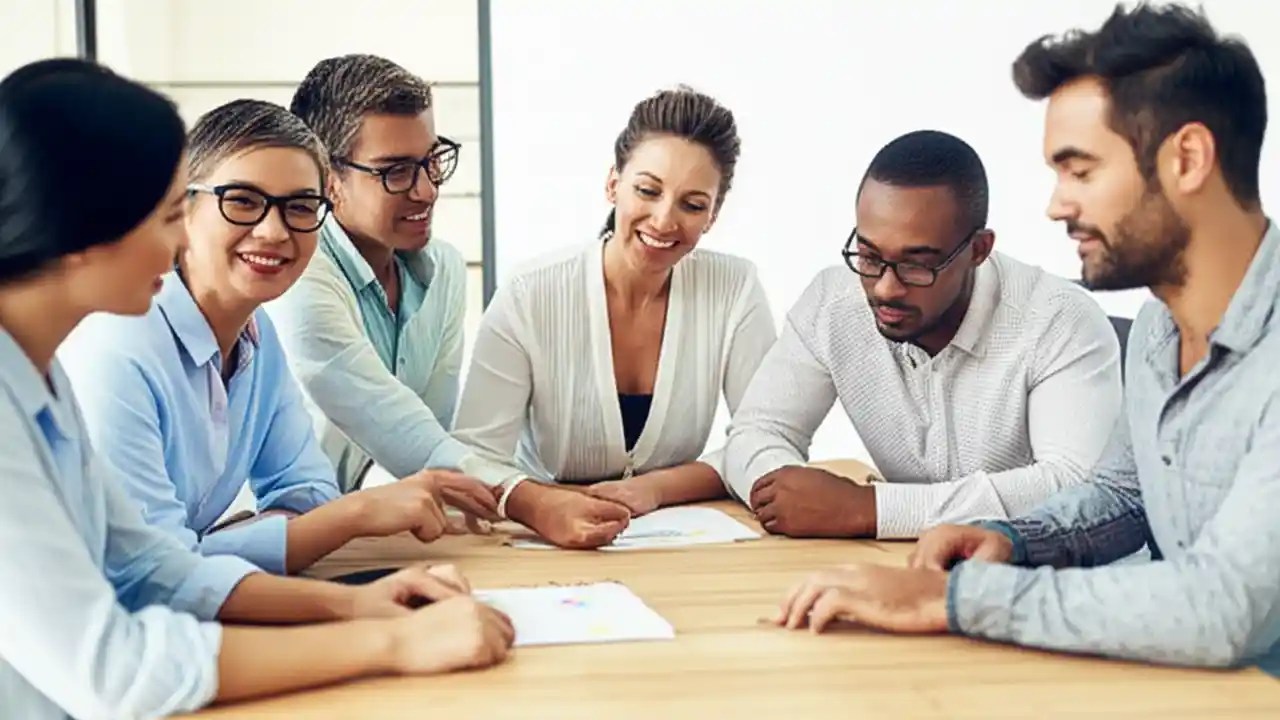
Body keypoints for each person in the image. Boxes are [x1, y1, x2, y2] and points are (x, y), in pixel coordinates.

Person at [0, 58, 512, 720]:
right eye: (164, 216)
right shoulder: (89, 358)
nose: (180, 240)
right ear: (80, 225)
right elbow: (115, 669)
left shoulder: (38, 373)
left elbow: (158, 569)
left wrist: (357, 602)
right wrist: (388, 642)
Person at [773, 3, 1280, 671]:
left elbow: (1223, 608)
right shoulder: (1163, 322)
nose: (1055, 205)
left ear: (1187, 158)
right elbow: (1126, 496)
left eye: (1081, 170)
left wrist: (957, 599)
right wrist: (1011, 539)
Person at [59, 97, 498, 577]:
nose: (274, 231)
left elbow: (308, 492)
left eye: (300, 206)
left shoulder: (256, 335)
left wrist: (217, 546)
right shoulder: (119, 344)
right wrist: (356, 514)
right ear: (181, 209)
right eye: (242, 201)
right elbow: (154, 572)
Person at [724, 129, 1122, 539]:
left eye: (918, 265)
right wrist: (782, 493)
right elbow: (757, 430)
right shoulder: (833, 304)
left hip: (1062, 586)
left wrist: (871, 510)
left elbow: (1074, 488)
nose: (885, 288)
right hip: (913, 575)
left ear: (978, 250)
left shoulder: (1061, 320)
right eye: (869, 255)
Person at [450, 86, 778, 548]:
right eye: (647, 190)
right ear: (612, 185)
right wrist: (540, 505)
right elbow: (473, 457)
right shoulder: (530, 292)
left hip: (677, 544)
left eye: (693, 204)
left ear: (714, 214)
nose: (665, 220)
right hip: (540, 542)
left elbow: (767, 438)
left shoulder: (735, 289)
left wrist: (654, 489)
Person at [265, 54, 496, 495]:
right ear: (327, 179)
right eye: (397, 172)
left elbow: (432, 438)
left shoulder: (442, 269)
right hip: (266, 536)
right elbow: (398, 428)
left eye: (432, 161)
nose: (427, 189)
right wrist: (523, 497)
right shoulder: (298, 275)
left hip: (361, 529)